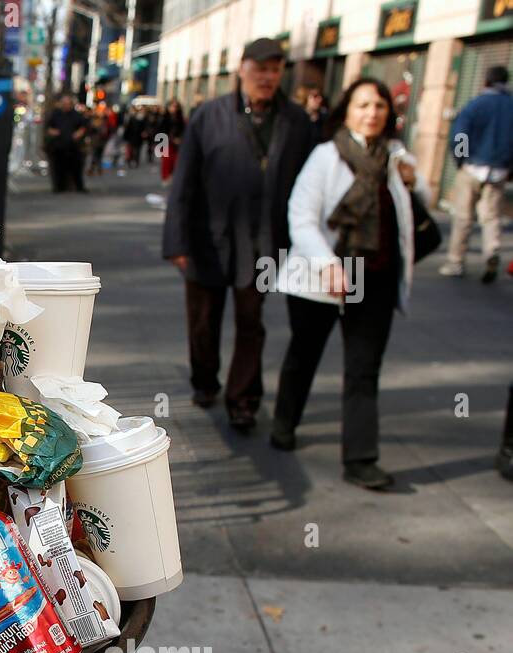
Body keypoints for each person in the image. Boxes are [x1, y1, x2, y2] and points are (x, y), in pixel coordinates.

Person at [271, 78, 422, 490]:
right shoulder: (326, 155)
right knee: (304, 354)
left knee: (363, 370)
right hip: (326, 275)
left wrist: (414, 180)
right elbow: (300, 215)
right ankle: (284, 423)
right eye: (363, 105)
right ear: (347, 111)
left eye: (379, 105)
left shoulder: (396, 158)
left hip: (376, 279)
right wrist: (328, 264)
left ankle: (360, 459)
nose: (372, 113)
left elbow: (412, 211)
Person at [161, 37, 317, 431]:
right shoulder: (209, 115)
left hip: (264, 243)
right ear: (242, 69)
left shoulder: (296, 121)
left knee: (252, 322)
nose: (266, 77)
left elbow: (312, 181)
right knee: (203, 321)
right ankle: (205, 380)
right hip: (206, 239)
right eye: (259, 68)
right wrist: (176, 242)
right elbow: (184, 183)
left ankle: (243, 400)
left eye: (274, 69)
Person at [440, 65, 513, 283]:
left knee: (463, 217)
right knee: (491, 217)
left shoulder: (475, 105)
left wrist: (461, 159)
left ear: (486, 81)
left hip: (472, 168)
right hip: (499, 170)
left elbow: (460, 135)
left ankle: (455, 262)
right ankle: (492, 252)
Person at [44, 93, 88, 192]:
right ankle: (59, 187)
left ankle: (79, 186)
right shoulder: (55, 114)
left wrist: (79, 133)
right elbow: (48, 127)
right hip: (59, 146)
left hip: (73, 146)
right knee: (58, 169)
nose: (66, 105)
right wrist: (53, 132)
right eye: (64, 103)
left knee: (76, 168)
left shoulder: (76, 115)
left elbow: (83, 126)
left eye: (68, 103)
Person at [157, 100, 186, 186]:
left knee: (175, 161)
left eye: (176, 106)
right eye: (172, 106)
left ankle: (172, 176)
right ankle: (165, 177)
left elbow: (183, 130)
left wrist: (180, 139)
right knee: (166, 161)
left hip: (177, 144)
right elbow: (160, 132)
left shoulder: (180, 118)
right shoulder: (164, 118)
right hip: (165, 142)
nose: (174, 108)